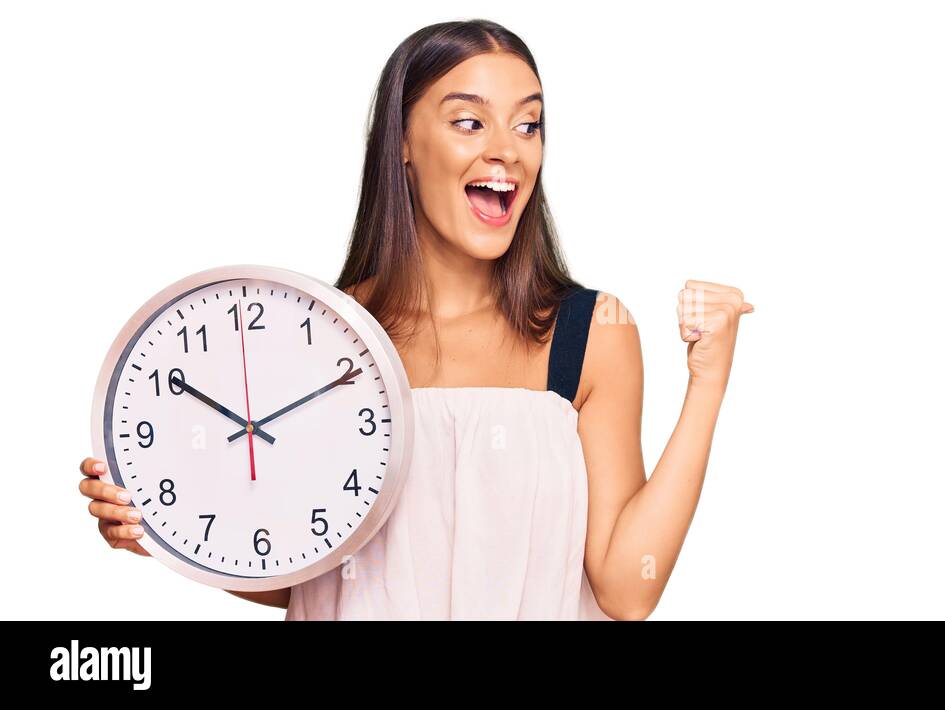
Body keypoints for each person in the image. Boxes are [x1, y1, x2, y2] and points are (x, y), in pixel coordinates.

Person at [77, 19, 752, 620]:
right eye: (469, 121)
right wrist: (160, 535)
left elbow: (627, 590)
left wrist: (708, 383)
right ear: (402, 141)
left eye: (528, 123)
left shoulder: (591, 332)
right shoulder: (324, 333)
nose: (507, 150)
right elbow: (308, 579)